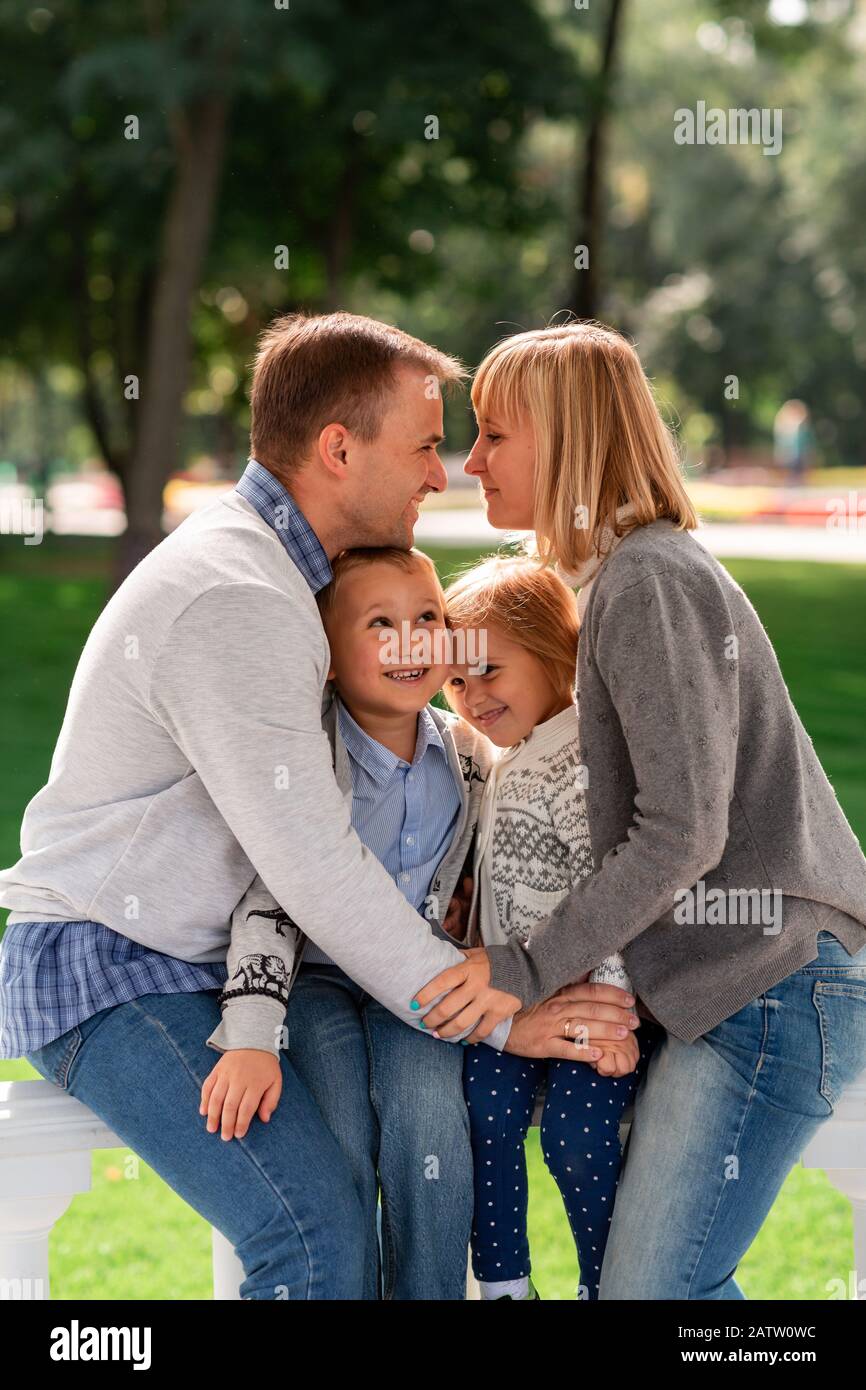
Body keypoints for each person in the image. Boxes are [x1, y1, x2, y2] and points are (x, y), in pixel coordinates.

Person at [0, 313, 636, 1299]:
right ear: (338, 449)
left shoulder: (281, 578)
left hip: (214, 967)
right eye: (425, 445)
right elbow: (316, 866)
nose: (443, 473)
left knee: (355, 1197)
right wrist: (500, 1016)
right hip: (113, 966)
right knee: (311, 1239)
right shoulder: (240, 593)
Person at [415, 322, 866, 1300]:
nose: (470, 460)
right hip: (739, 988)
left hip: (775, 989)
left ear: (567, 435)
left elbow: (676, 832)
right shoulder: (623, 578)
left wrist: (521, 968)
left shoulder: (647, 580)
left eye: (494, 434)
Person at [442, 556, 661, 1300]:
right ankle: (504, 1284)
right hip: (512, 998)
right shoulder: (500, 757)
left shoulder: (579, 760)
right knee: (484, 1111)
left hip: (593, 1006)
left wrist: (614, 1014)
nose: (472, 697)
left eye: (489, 672)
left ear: (555, 653)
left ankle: (606, 1284)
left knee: (577, 1139)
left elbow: (621, 891)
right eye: (456, 681)